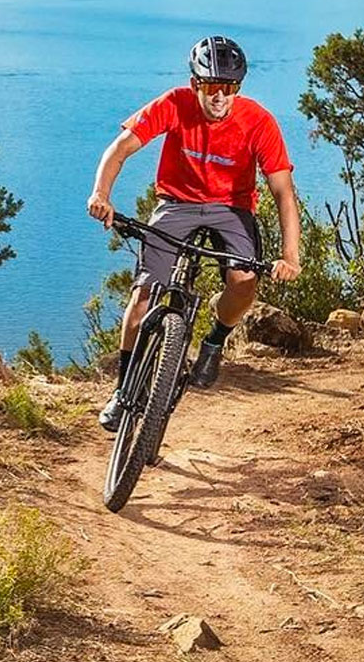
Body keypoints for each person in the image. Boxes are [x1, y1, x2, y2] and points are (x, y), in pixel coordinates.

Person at [85, 34, 303, 431]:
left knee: (244, 279)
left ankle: (216, 339)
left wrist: (291, 256)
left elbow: (283, 192)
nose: (220, 97)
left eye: (230, 88)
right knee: (143, 295)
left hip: (232, 209)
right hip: (176, 202)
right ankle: (121, 391)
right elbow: (118, 150)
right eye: (211, 87)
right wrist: (101, 194)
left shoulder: (259, 122)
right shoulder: (174, 104)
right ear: (195, 84)